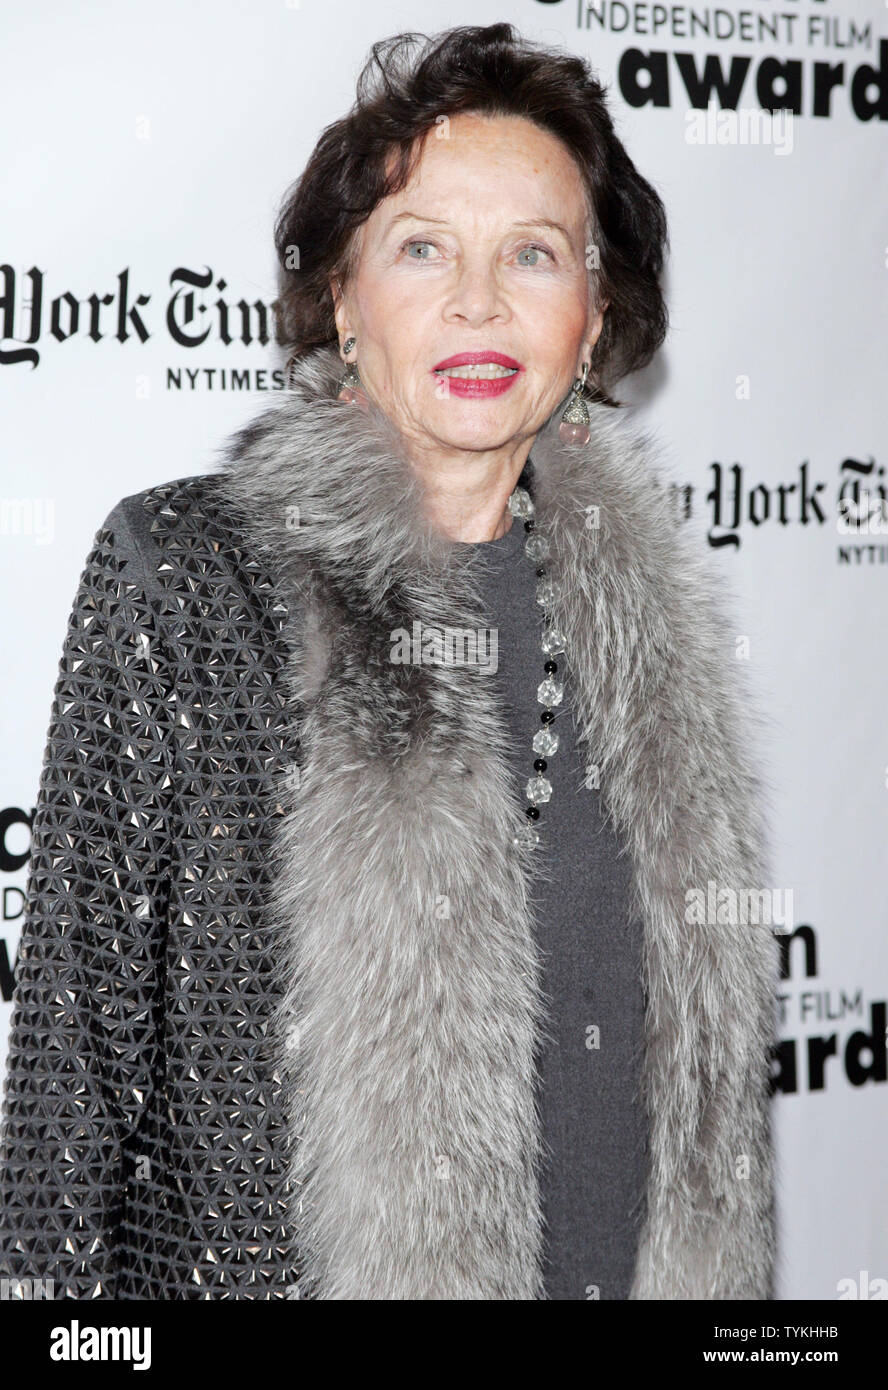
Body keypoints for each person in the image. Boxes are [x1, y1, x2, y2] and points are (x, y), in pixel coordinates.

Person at [0, 23, 778, 1300]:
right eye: (424, 249)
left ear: (592, 322)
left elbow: (715, 1130)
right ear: (345, 305)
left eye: (533, 253)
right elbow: (67, 1093)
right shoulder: (190, 573)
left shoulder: (661, 644)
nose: (480, 300)